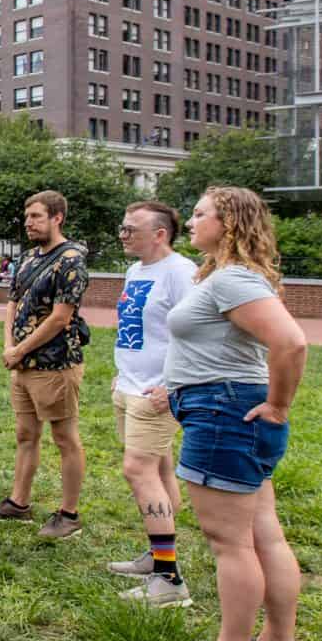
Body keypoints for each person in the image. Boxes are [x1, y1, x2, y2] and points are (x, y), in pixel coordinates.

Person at [161, 187, 309, 641]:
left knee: (230, 541)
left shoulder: (233, 280)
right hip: (233, 412)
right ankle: (279, 640)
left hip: (225, 415)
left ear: (228, 223)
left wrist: (279, 404)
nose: (192, 220)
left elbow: (290, 342)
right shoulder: (228, 278)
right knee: (263, 531)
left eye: (201, 213)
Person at [0, 191, 90, 539]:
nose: (29, 223)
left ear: (57, 218)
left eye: (37, 217)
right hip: (22, 364)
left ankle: (69, 515)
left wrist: (20, 348)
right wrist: (9, 346)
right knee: (26, 434)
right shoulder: (26, 259)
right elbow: (12, 303)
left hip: (55, 364)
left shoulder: (71, 259)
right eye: (26, 217)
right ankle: (18, 503)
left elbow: (59, 319)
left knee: (64, 437)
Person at [105, 200, 199, 607]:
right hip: (129, 385)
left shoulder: (182, 273)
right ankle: (159, 553)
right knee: (159, 469)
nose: (123, 235)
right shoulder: (135, 271)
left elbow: (197, 334)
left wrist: (171, 385)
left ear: (160, 234)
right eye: (122, 228)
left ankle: (169, 578)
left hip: (156, 394)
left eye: (131, 229)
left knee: (137, 469)